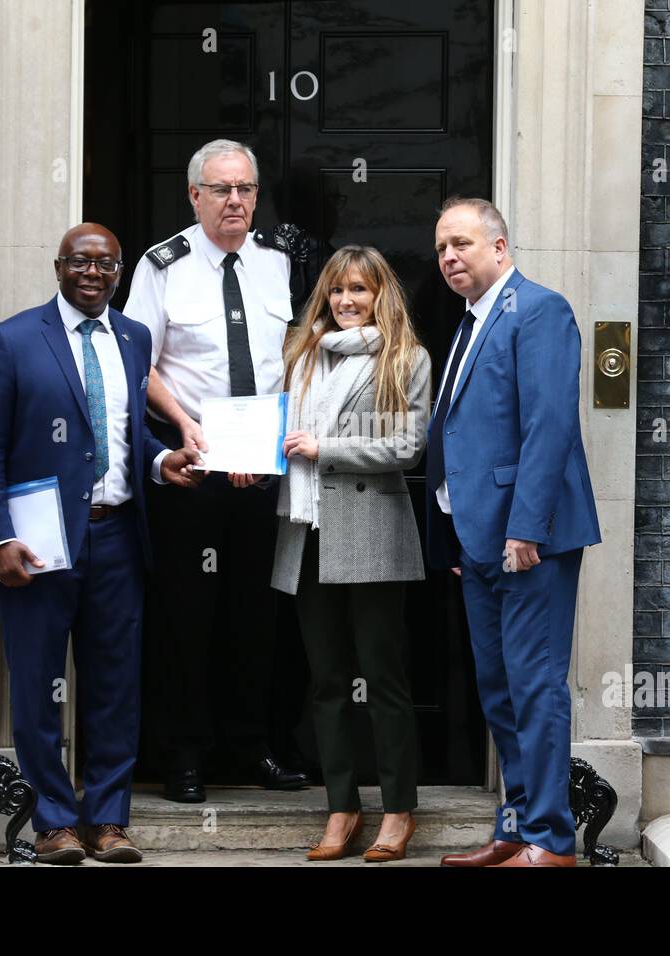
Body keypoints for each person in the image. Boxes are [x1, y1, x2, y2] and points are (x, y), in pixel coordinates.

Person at [0, 224, 204, 864]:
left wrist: (161, 464)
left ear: (121, 272)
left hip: (120, 535)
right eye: (81, 261)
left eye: (106, 264)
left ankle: (107, 819)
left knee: (115, 685)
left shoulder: (132, 337)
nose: (93, 272)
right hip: (40, 545)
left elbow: (125, 437)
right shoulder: (12, 340)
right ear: (58, 266)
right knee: (39, 684)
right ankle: (53, 822)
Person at [123, 139, 309, 801]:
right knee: (188, 615)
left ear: (257, 195)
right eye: (221, 189)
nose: (235, 201)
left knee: (258, 615)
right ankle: (184, 755)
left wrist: (283, 433)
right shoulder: (162, 266)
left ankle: (253, 745)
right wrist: (184, 424)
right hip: (195, 470)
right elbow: (135, 365)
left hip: (263, 472)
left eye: (246, 189)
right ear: (194, 194)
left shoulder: (277, 263)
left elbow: (294, 360)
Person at [425, 198, 601, 867]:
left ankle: (552, 841)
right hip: (477, 542)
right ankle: (515, 827)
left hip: (530, 540)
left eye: (462, 243)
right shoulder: (469, 324)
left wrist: (525, 527)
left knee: (534, 686)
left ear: (499, 247)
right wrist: (460, 534)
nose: (449, 257)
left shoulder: (539, 309)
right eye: (442, 247)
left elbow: (548, 425)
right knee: (499, 689)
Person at [271, 246, 431, 861]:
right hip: (305, 532)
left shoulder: (405, 358)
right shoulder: (301, 354)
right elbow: (278, 432)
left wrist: (326, 448)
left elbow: (408, 446)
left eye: (358, 290)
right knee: (328, 682)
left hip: (370, 533)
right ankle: (342, 808)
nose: (345, 302)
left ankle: (398, 810)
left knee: (384, 680)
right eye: (336, 291)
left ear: (379, 295)